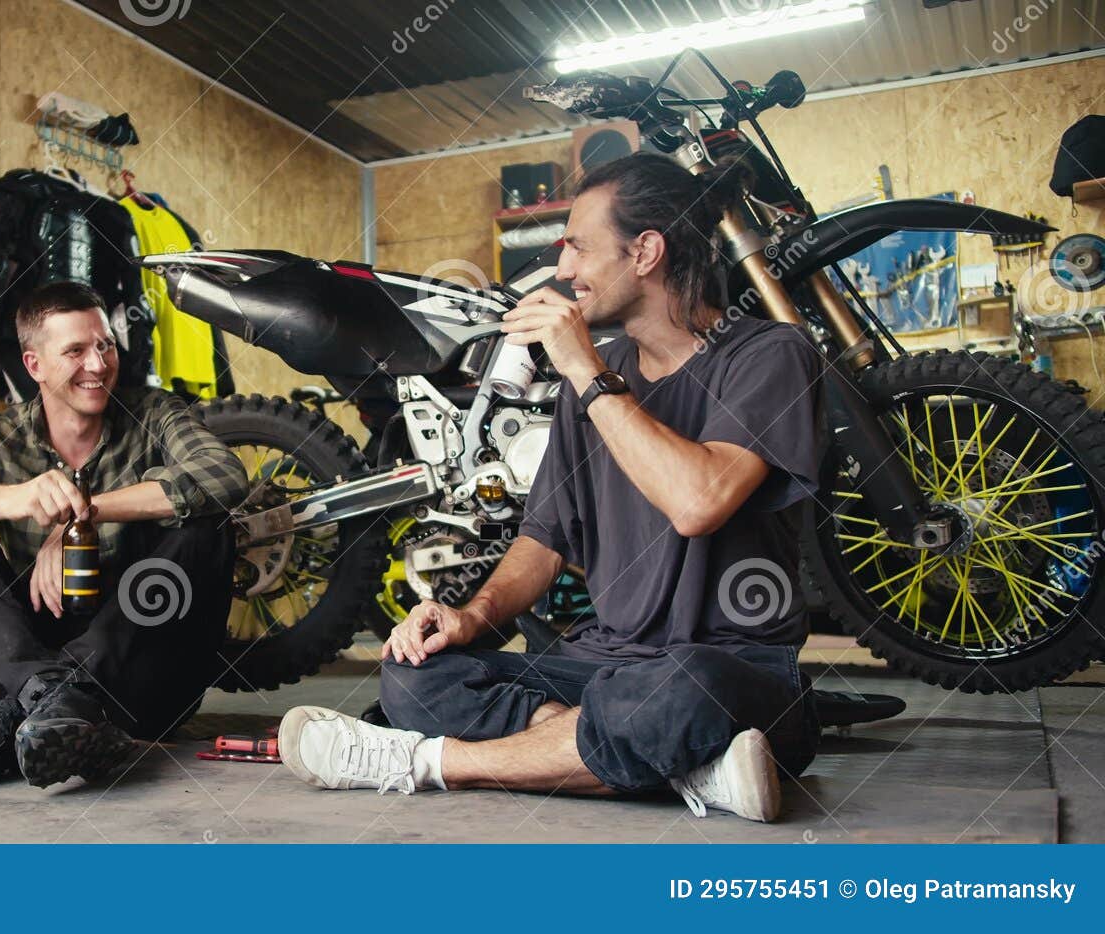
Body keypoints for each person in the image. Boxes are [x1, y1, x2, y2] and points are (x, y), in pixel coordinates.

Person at [278, 153, 825, 822]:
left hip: (728, 666)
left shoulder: (770, 354)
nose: (564, 269)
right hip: (605, 663)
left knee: (684, 694)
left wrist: (588, 374)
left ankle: (425, 763)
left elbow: (698, 503)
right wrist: (472, 616)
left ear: (646, 251)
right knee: (415, 676)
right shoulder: (592, 377)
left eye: (579, 247)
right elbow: (543, 538)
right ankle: (679, 766)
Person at [0, 281, 248, 788]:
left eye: (105, 345)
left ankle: (21, 721)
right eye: (75, 351)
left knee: (207, 525)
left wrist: (83, 515)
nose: (98, 364)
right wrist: (15, 499)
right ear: (34, 365)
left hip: (143, 671)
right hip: (26, 667)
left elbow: (224, 475)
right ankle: (51, 700)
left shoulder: (155, 413)